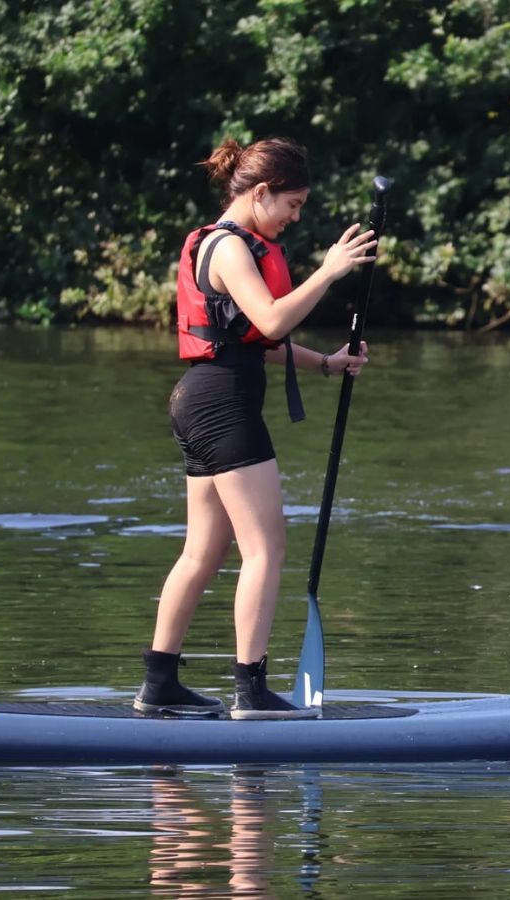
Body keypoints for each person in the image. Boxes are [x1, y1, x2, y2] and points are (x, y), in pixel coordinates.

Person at [134, 137, 379, 719]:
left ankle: (159, 684)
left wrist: (325, 362)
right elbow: (271, 318)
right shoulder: (229, 249)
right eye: (292, 205)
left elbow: (249, 342)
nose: (295, 217)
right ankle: (250, 690)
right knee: (266, 548)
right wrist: (328, 272)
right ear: (261, 193)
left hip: (204, 399)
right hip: (222, 407)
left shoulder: (225, 244)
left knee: (205, 550)